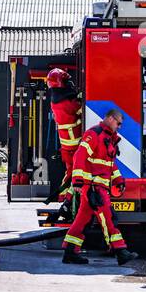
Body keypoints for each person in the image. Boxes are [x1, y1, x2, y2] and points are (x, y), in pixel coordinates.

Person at [61, 108, 139, 266]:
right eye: (118, 123)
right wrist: (77, 181)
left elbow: (108, 165)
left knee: (82, 220)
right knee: (108, 218)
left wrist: (118, 180)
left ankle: (70, 252)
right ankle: (121, 251)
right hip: (94, 188)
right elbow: (79, 156)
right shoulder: (94, 134)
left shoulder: (108, 138)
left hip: (97, 187)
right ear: (110, 119)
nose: (119, 126)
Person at [45, 68, 82, 217]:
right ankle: (67, 201)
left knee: (70, 173)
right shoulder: (67, 102)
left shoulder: (56, 100)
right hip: (75, 144)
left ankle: (65, 200)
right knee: (75, 175)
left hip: (67, 145)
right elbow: (82, 109)